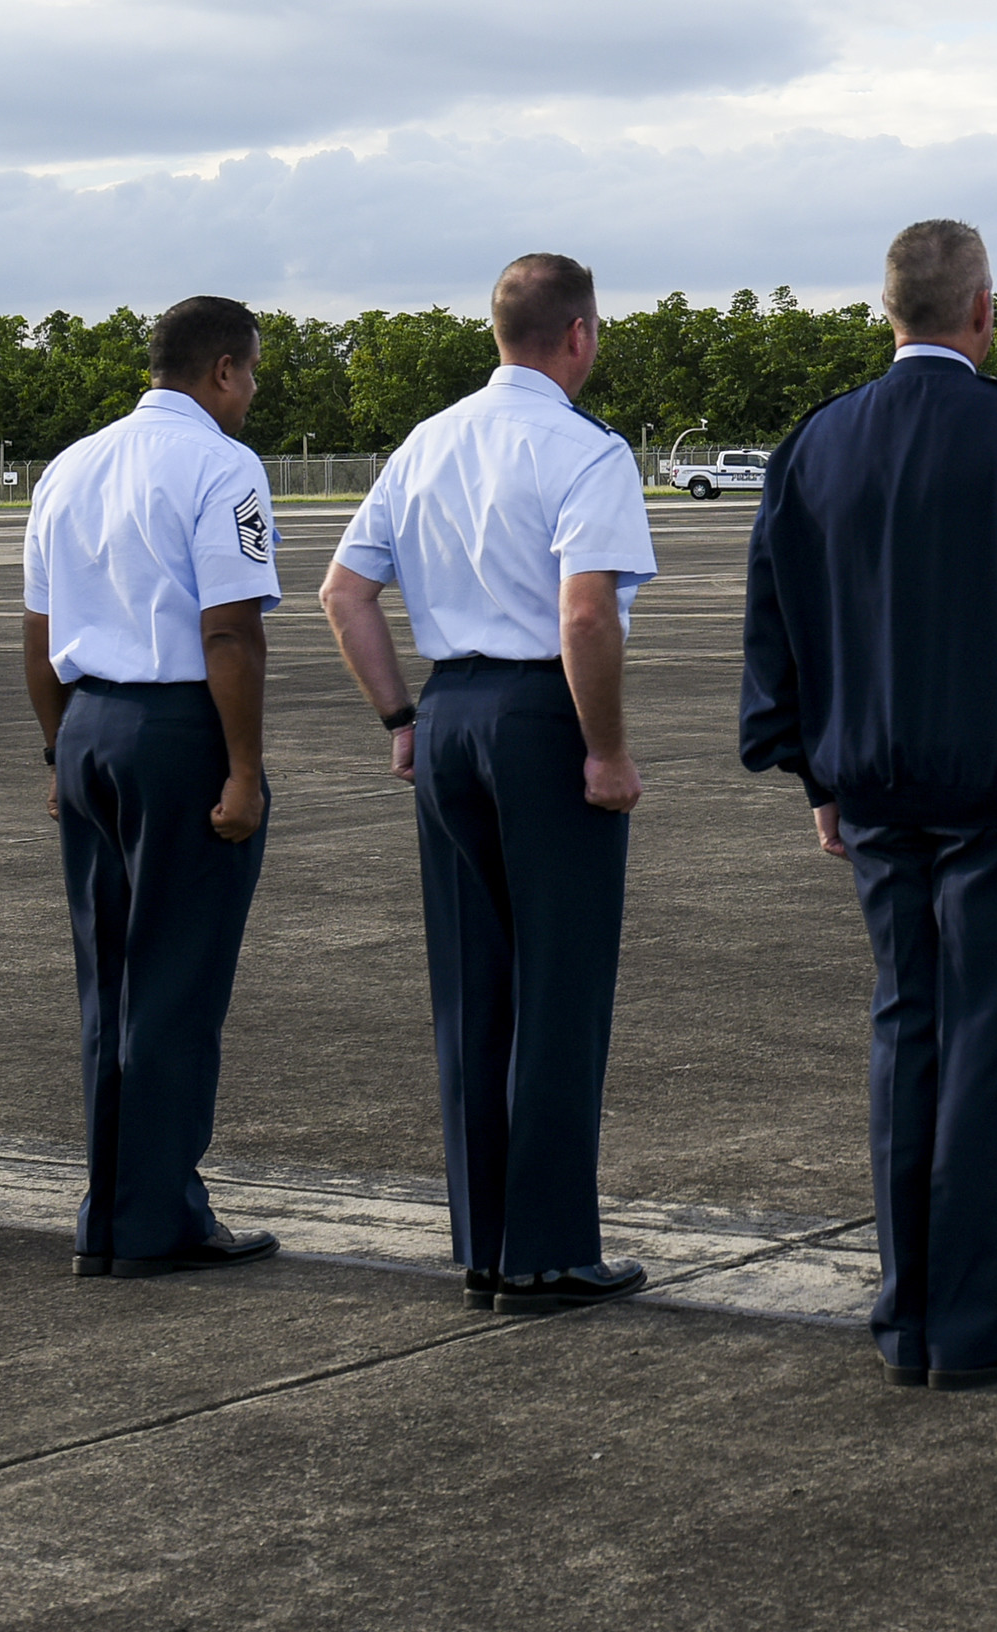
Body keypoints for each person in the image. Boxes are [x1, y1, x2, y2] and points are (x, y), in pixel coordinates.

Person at [739, 219, 997, 1391]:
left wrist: (817, 775)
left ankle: (909, 1311)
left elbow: (780, 623)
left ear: (887, 313)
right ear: (983, 313)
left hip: (872, 790)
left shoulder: (818, 443)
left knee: (906, 1031)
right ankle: (982, 1318)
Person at [319, 254, 661, 1317]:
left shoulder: (428, 440)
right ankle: (550, 1252)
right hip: (538, 718)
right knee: (558, 993)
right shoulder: (585, 449)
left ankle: (486, 1241)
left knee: (473, 990)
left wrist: (401, 717)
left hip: (451, 710)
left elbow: (344, 592)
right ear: (578, 335)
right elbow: (585, 616)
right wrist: (603, 750)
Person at [21, 295, 284, 1280]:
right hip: (179, 733)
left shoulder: (70, 466)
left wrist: (61, 755)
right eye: (251, 373)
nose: (253, 393)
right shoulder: (224, 467)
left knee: (111, 985)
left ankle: (111, 1211)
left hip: (88, 726)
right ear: (221, 370)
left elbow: (38, 636)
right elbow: (230, 631)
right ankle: (158, 1219)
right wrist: (245, 769)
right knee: (175, 988)